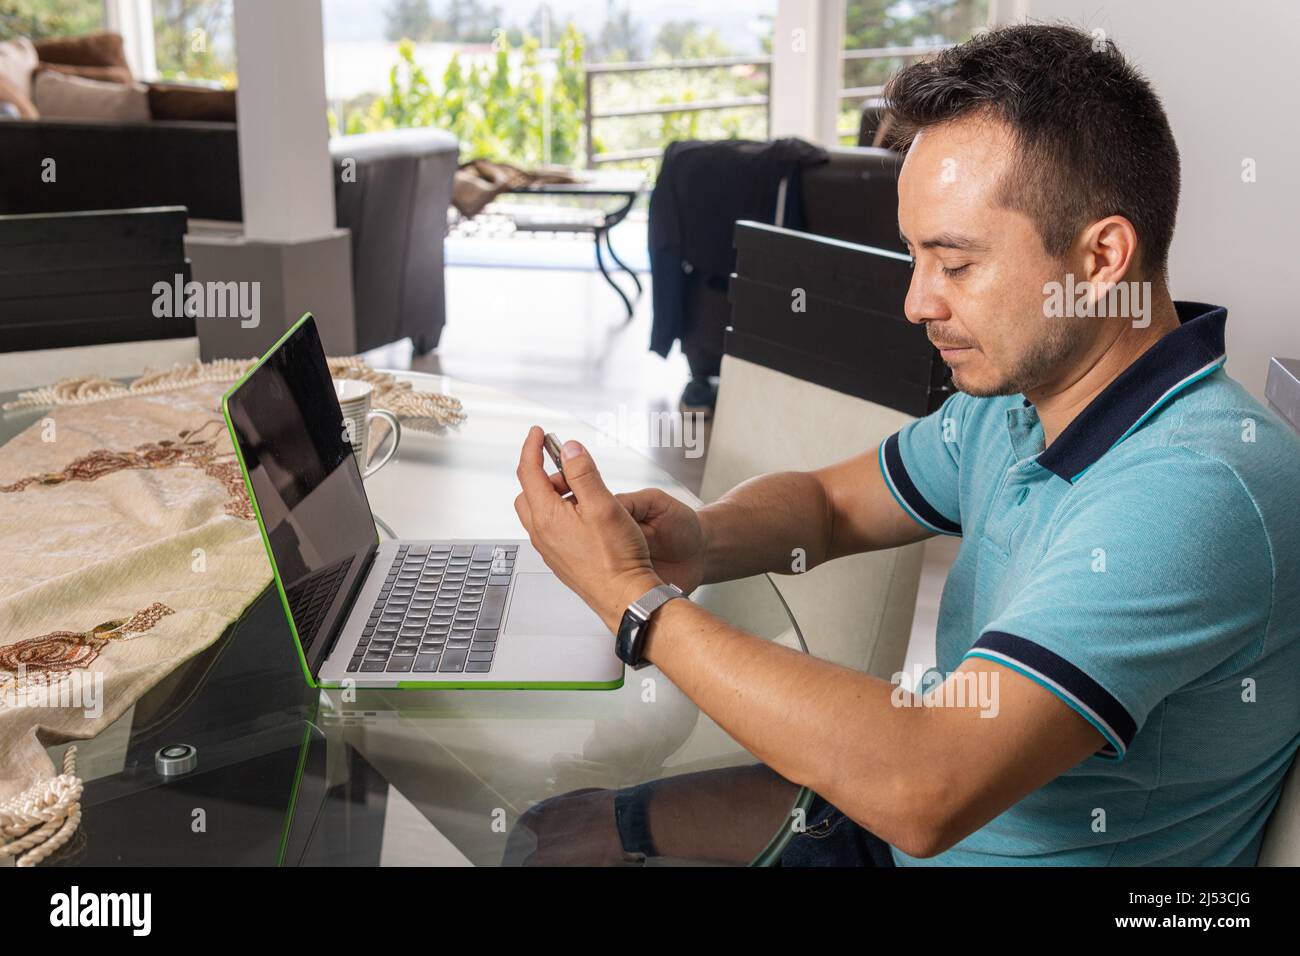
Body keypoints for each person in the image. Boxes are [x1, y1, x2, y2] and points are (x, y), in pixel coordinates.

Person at [506, 23, 1300, 866]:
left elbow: (925, 787)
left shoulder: (1193, 492)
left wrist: (638, 605)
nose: (918, 302)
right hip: (892, 827)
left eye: (954, 264)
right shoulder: (1025, 397)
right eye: (914, 256)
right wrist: (701, 540)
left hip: (926, 814)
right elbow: (832, 505)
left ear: (1102, 257)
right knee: (555, 831)